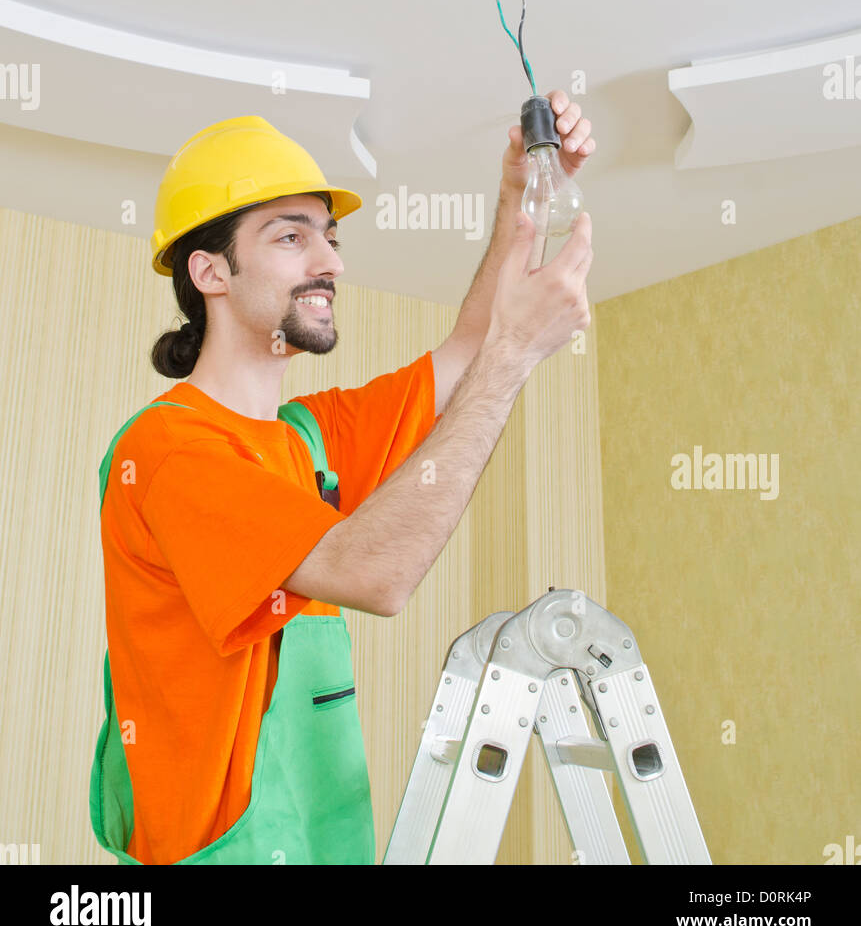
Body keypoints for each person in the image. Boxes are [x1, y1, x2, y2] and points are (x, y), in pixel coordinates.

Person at [90, 97, 595, 865]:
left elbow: (467, 353)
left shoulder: (308, 438)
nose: (331, 263)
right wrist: (517, 353)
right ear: (210, 270)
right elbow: (373, 574)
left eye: (327, 238)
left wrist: (517, 198)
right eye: (291, 237)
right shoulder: (169, 448)